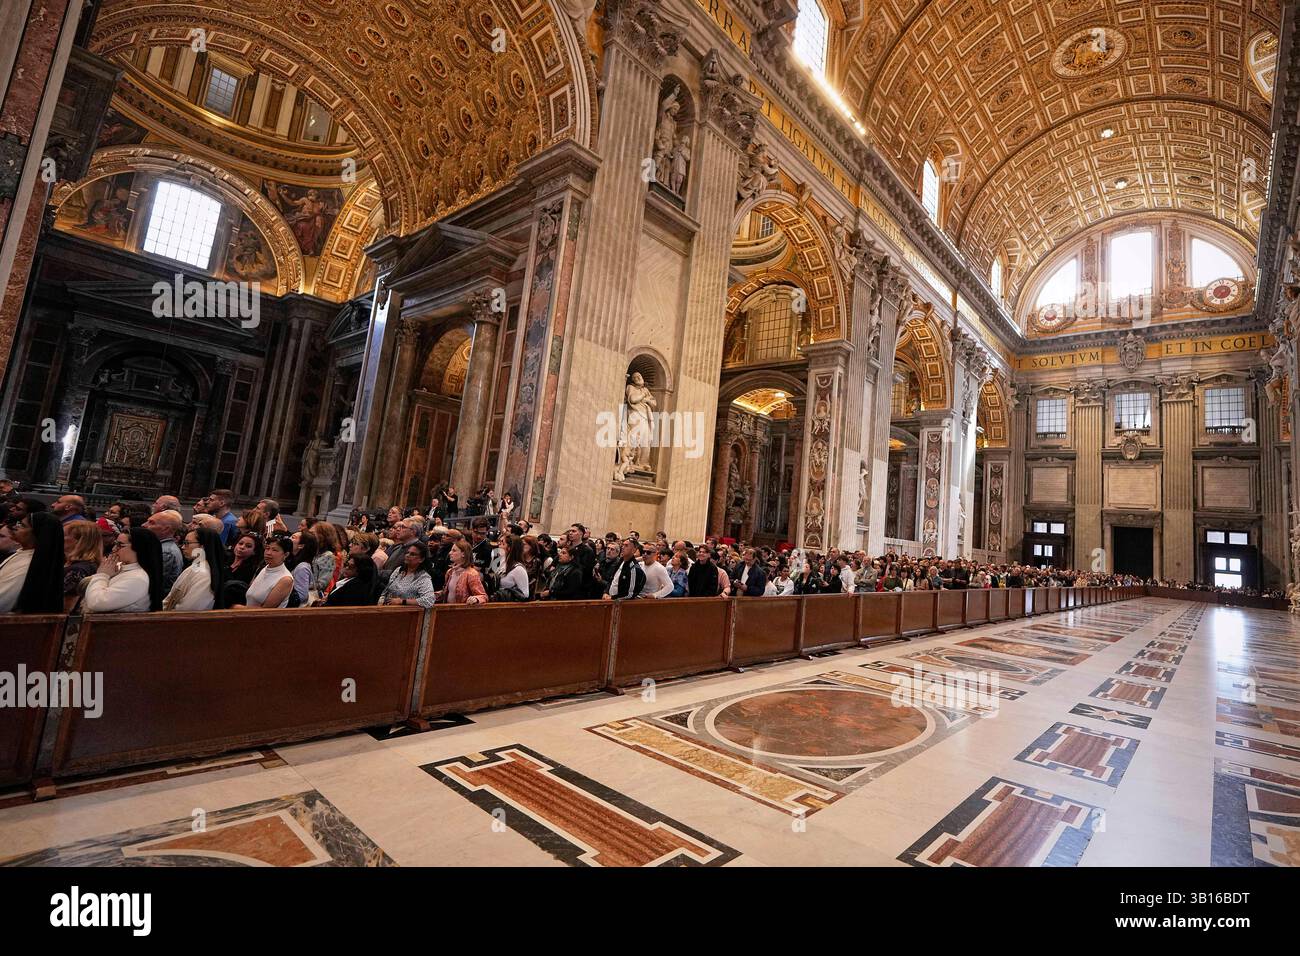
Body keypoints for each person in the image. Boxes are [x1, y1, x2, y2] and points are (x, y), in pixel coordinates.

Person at [83, 527, 165, 613]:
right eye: (115, 544)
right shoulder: (121, 569)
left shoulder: (137, 578)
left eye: (120, 545)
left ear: (138, 548)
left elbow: (96, 603)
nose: (113, 549)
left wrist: (102, 575)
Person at [0, 512, 65, 613]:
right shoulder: (23, 553)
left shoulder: (30, 565)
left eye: (22, 525)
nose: (15, 528)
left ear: (37, 534)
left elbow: (2, 600)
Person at [163, 528, 228, 611]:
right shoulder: (197, 567)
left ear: (202, 546)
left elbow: (189, 609)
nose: (182, 547)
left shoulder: (202, 574)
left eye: (187, 543)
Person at [231, 535, 294, 609]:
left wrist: (236, 607)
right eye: (267, 548)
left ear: (286, 555)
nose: (268, 553)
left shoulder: (286, 579)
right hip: (247, 616)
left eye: (274, 550)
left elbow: (266, 610)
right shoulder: (263, 568)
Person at [380, 541, 437, 608]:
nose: (407, 555)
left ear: (421, 559)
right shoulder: (398, 570)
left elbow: (429, 600)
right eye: (407, 553)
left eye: (412, 554)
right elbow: (386, 590)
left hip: (408, 614)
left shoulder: (423, 578)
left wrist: (402, 601)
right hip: (388, 609)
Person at [143, 509, 185, 591]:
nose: (144, 525)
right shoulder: (162, 547)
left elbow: (150, 581)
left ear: (166, 529)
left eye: (151, 522)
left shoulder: (165, 552)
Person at [63, 519, 104, 602]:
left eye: (63, 535)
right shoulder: (88, 565)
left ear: (80, 541)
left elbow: (66, 605)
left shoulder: (78, 570)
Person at [439, 539, 488, 605]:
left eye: (454, 550)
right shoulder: (450, 572)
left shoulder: (472, 574)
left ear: (463, 554)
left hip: (463, 612)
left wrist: (476, 599)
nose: (450, 553)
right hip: (447, 610)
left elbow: (483, 596)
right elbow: (447, 593)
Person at [493, 534, 530, 601]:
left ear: (509, 548)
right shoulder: (502, 562)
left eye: (503, 544)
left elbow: (525, 594)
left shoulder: (519, 569)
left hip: (509, 606)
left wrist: (508, 594)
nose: (499, 546)